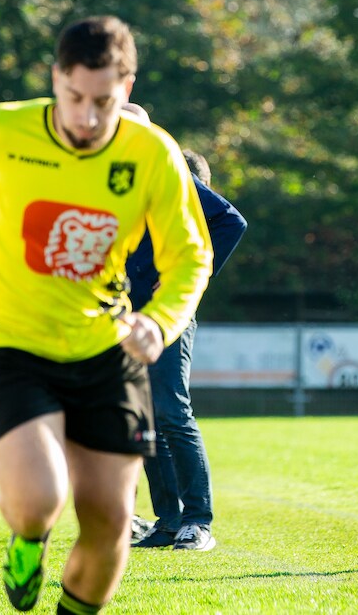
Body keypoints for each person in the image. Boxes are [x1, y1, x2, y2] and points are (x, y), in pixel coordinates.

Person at [0, 16, 212, 614]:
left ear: (127, 89)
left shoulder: (154, 154)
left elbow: (192, 256)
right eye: (75, 97)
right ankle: (27, 544)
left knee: (110, 521)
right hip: (10, 346)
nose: (86, 117)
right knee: (40, 501)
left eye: (104, 102)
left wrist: (158, 321)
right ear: (56, 78)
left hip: (105, 349)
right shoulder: (3, 129)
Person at [123, 136, 247, 552]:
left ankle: (198, 521)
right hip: (124, 314)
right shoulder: (112, 173)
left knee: (172, 412)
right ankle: (169, 521)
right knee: (146, 418)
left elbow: (233, 221)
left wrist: (187, 280)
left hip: (164, 313)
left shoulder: (165, 167)